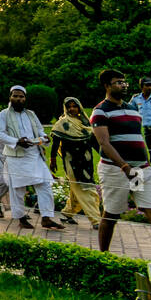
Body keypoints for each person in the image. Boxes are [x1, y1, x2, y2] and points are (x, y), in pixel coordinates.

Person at [90, 69, 151, 260]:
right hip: (116, 170)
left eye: (124, 82)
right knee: (111, 215)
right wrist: (124, 167)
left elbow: (138, 138)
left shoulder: (132, 108)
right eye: (118, 82)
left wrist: (142, 165)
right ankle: (102, 257)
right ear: (107, 85)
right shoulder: (100, 111)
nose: (123, 85)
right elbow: (104, 143)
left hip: (140, 170)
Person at [0, 86, 64, 231]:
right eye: (16, 96)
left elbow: (39, 130)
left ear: (25, 98)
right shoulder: (3, 114)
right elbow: (0, 134)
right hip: (16, 157)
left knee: (45, 185)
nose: (19, 99)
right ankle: (20, 218)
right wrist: (17, 141)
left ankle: (46, 218)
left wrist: (43, 137)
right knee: (18, 189)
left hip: (34, 155)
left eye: (22, 97)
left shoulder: (31, 114)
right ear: (10, 97)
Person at [49, 96, 101, 226]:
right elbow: (55, 143)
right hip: (71, 161)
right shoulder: (63, 123)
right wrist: (53, 160)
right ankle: (96, 220)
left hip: (86, 160)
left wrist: (105, 155)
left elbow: (94, 142)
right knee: (86, 189)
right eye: (69, 106)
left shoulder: (85, 122)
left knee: (77, 187)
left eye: (74, 106)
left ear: (79, 107)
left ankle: (68, 212)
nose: (72, 109)